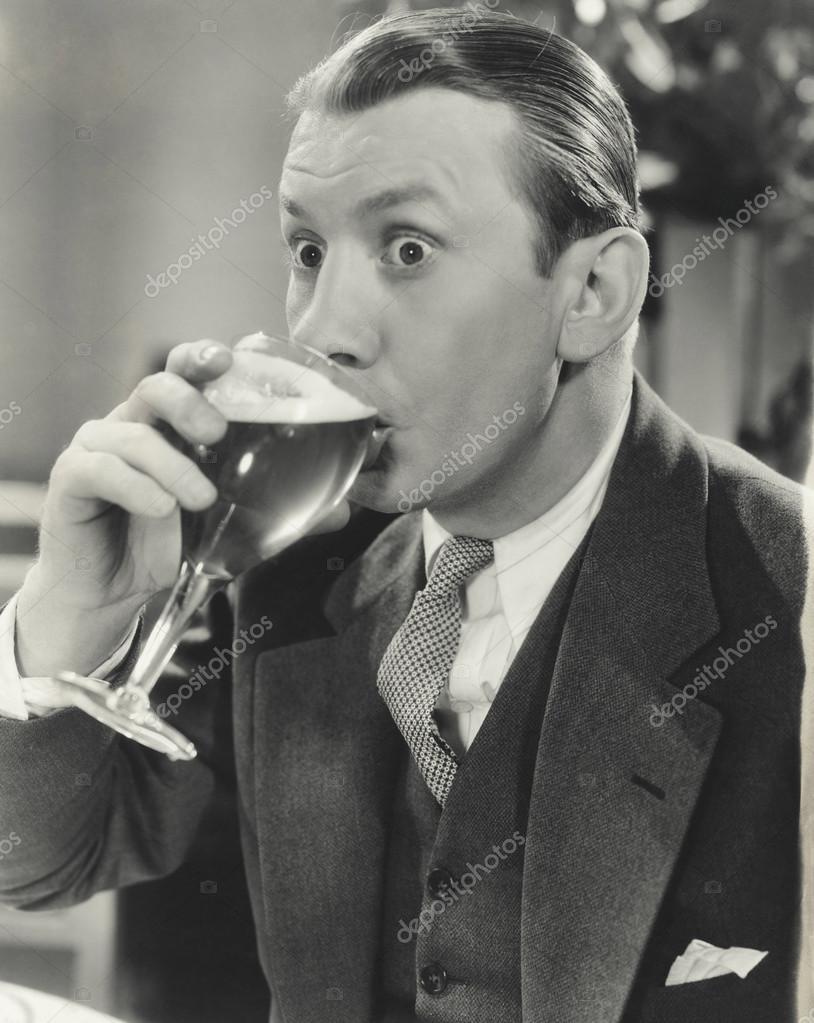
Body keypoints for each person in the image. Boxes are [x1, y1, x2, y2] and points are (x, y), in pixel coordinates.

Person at [0, 9, 808, 1023]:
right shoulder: (291, 562)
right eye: (306, 249)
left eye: (409, 248)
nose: (322, 328)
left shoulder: (789, 590)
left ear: (595, 290)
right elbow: (30, 865)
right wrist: (70, 608)